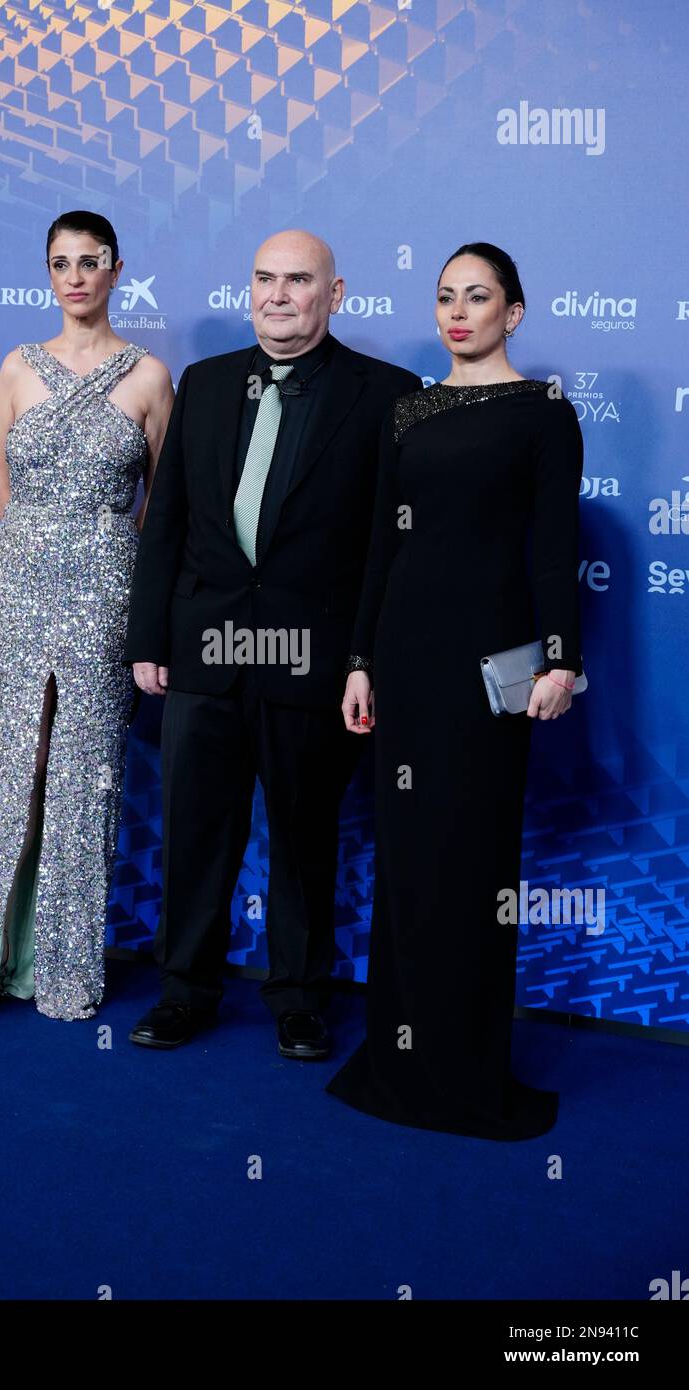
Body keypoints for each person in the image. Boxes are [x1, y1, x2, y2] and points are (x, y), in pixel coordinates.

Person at [122, 229, 421, 1058]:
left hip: (310, 656)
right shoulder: (206, 383)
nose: (277, 295)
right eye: (264, 279)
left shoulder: (386, 395)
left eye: (298, 280)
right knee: (195, 833)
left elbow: (383, 550)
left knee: (301, 835)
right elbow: (167, 522)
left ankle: (298, 998)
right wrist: (150, 636)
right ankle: (185, 991)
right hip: (205, 648)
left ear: (336, 293)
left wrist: (363, 660)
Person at [326, 242, 583, 1139]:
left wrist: (560, 659)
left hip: (491, 669)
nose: (459, 311)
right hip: (405, 659)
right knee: (406, 859)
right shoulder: (407, 412)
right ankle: (400, 1064)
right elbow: (379, 550)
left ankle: (466, 1073)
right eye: (445, 297)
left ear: (514, 312)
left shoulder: (545, 415)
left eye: (479, 297)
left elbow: (554, 547)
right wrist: (359, 661)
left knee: (473, 862)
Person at [0, 211, 173, 1020]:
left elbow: (160, 509)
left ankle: (63, 970)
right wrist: (40, 541)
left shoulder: (149, 377)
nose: (75, 277)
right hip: (20, 584)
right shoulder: (17, 366)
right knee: (14, 769)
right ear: (48, 272)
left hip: (105, 589)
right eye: (60, 262)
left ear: (116, 270)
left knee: (85, 775)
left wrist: (101, 555)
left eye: (90, 262)